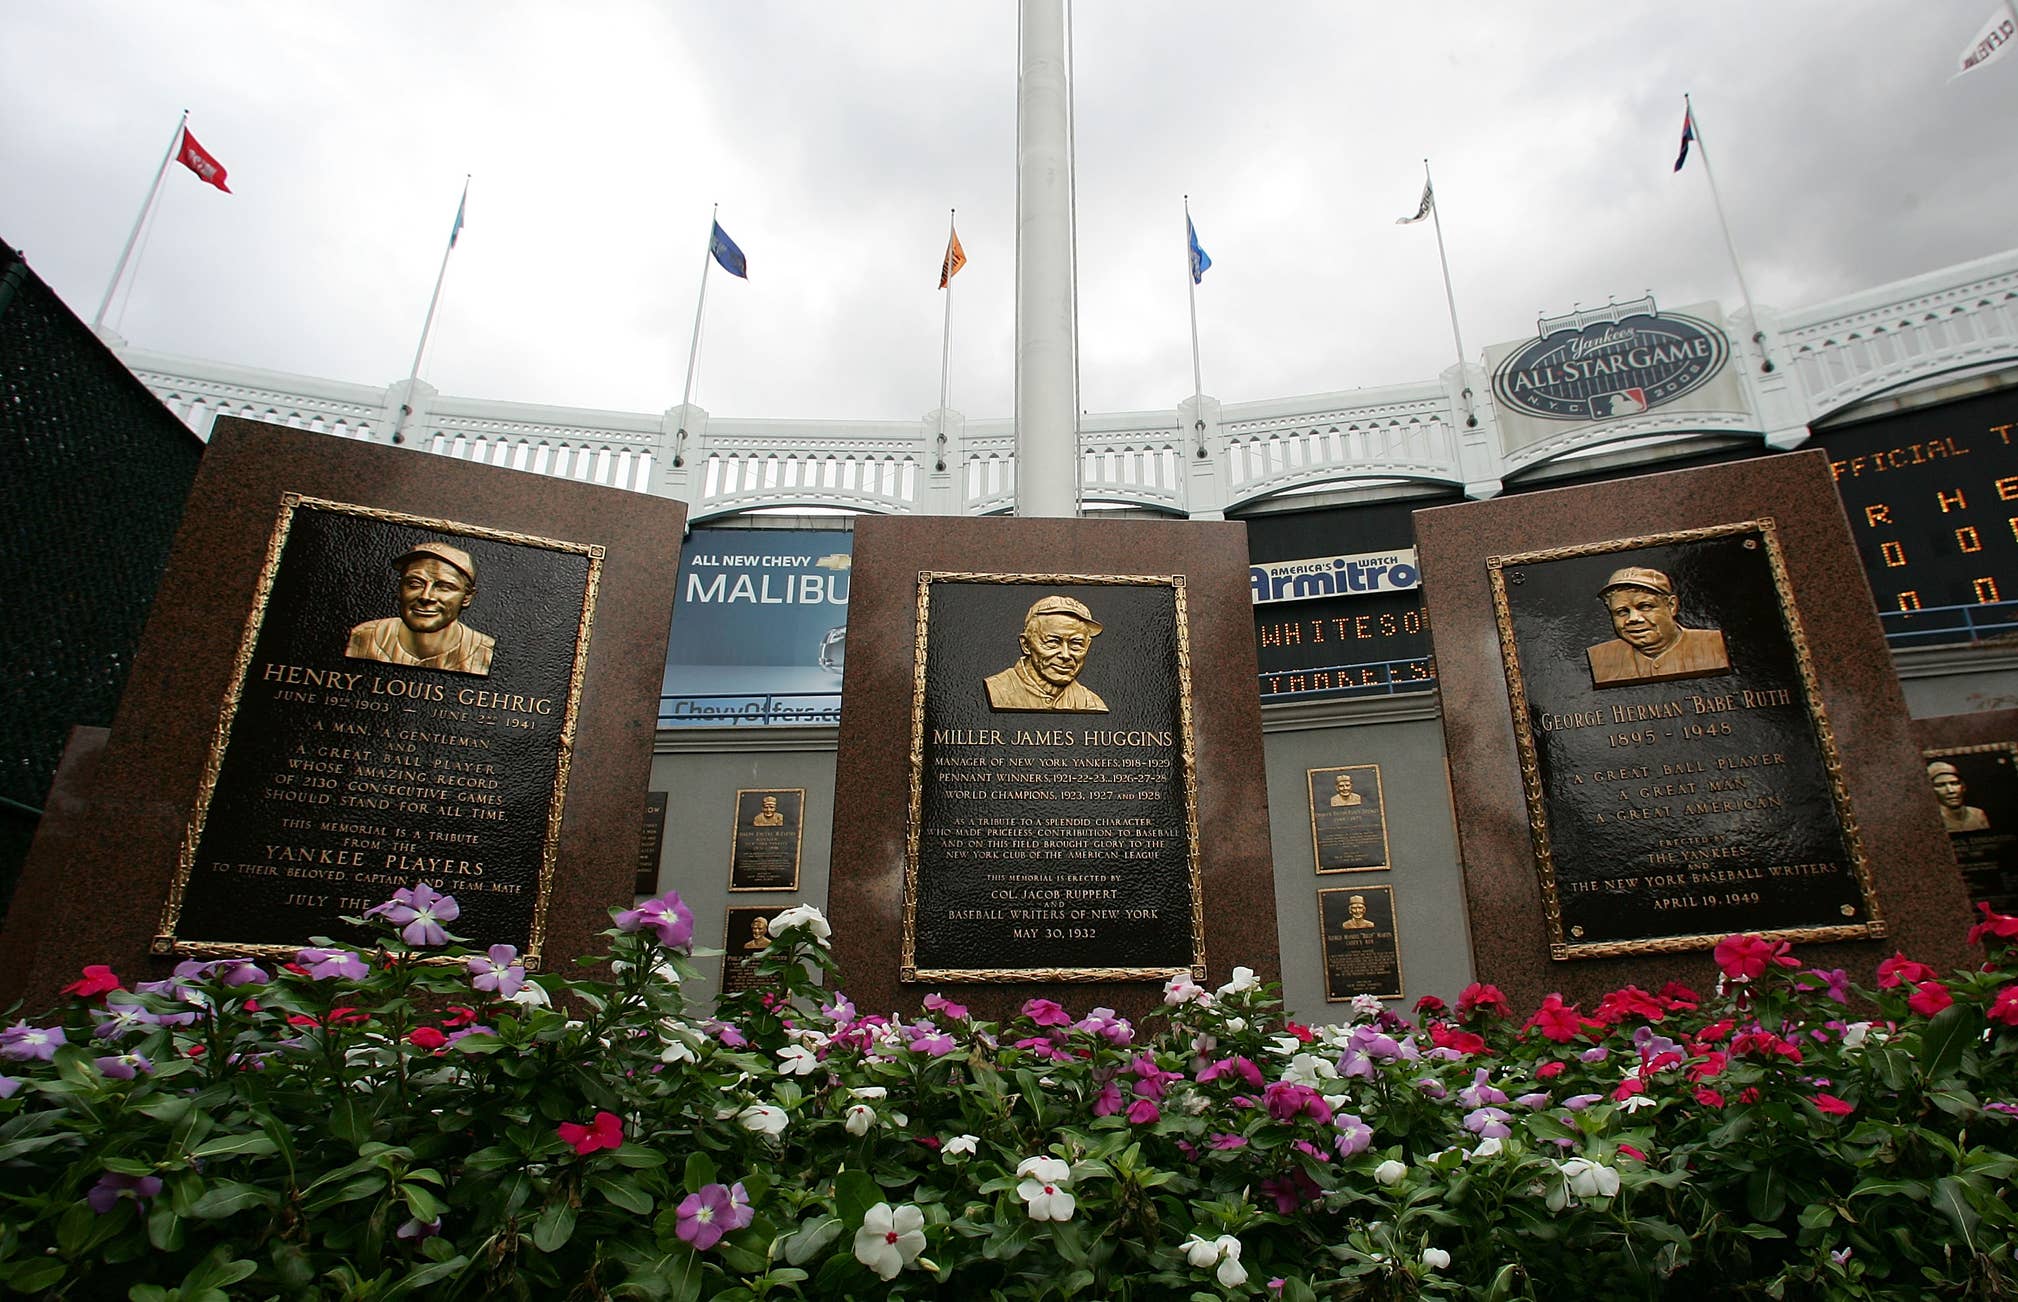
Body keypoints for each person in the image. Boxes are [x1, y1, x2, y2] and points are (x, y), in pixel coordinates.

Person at [346, 541, 495, 675]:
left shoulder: (483, 653)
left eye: (444, 587)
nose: (426, 596)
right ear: (400, 588)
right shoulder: (364, 638)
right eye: (414, 584)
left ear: (467, 597)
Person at [1585, 566, 1729, 687]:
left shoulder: (1712, 646)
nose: (1633, 619)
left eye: (1645, 606)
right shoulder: (1601, 659)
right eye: (1622, 612)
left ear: (1671, 606)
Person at [984, 594, 1109, 712]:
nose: (1065, 655)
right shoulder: (997, 690)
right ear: (1026, 645)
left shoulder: (1091, 703)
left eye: (1076, 644)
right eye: (1053, 642)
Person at [1928, 761, 1991, 832]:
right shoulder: (1931, 819)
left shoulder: (1978, 814)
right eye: (1941, 785)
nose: (1950, 790)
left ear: (1963, 787)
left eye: (1954, 783)